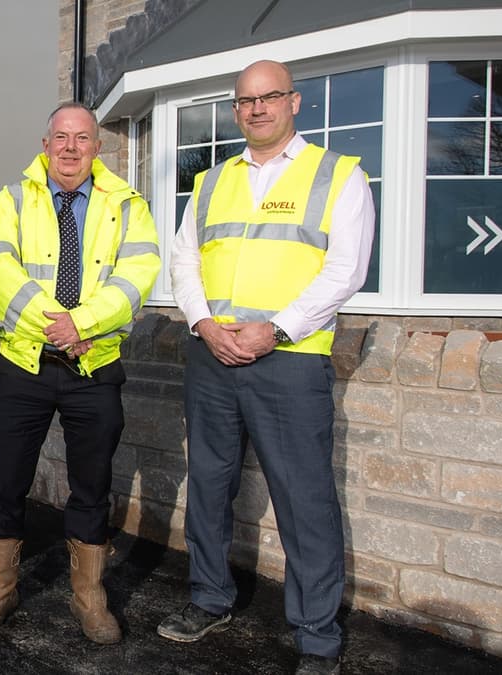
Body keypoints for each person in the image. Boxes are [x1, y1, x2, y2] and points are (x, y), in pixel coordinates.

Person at [159, 60, 375, 675]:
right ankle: (208, 598)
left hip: (290, 360)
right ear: (236, 110)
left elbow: (346, 270)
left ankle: (316, 635)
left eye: (269, 97)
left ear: (294, 102)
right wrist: (203, 324)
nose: (256, 109)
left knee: (303, 499)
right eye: (245, 101)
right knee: (209, 486)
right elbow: (185, 262)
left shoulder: (337, 175)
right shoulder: (210, 181)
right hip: (213, 356)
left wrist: (275, 329)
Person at [0, 102, 160, 645]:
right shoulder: (9, 200)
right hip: (24, 365)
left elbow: (138, 275)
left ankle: (89, 596)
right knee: (5, 483)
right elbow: (1, 273)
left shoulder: (128, 205)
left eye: (82, 138)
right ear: (45, 143)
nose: (70, 147)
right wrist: (57, 326)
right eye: (60, 137)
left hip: (93, 365)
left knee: (92, 487)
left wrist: (82, 325)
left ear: (97, 147)